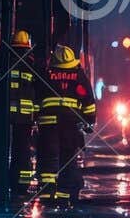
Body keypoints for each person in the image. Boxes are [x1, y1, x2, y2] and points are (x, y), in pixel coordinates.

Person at [36, 44, 96, 208]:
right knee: (67, 160)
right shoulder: (78, 75)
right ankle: (64, 196)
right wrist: (89, 121)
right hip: (71, 125)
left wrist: (36, 118)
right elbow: (88, 102)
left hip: (48, 125)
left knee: (49, 159)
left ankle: (47, 195)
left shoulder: (46, 74)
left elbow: (36, 96)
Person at [0, 30, 39, 190]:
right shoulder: (31, 63)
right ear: (27, 46)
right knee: (21, 150)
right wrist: (36, 113)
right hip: (24, 116)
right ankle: (20, 184)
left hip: (1, 113)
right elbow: (39, 89)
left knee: (0, 148)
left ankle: (1, 180)